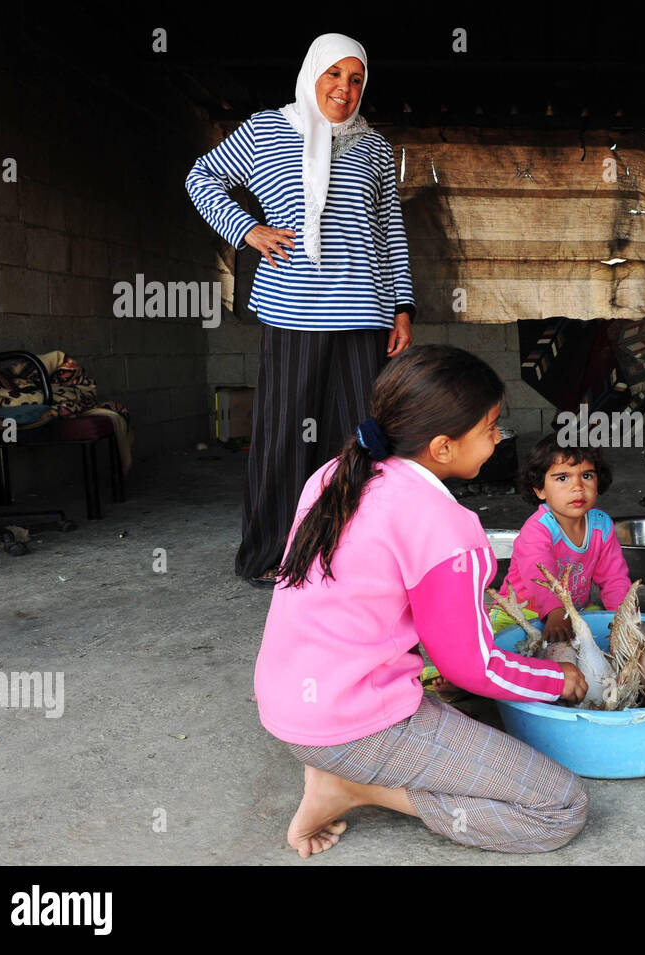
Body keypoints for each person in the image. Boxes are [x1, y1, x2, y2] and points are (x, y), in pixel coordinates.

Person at [254, 345, 589, 856]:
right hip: (354, 724)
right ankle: (355, 787)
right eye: (490, 426)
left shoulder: (332, 476)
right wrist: (556, 679)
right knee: (559, 808)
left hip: (288, 703)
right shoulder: (447, 526)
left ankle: (337, 770)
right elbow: (468, 667)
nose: (499, 438)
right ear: (443, 447)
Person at [186, 33, 416, 587]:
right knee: (284, 435)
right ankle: (270, 555)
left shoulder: (373, 147)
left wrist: (402, 307)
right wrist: (247, 230)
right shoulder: (267, 129)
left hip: (364, 313)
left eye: (356, 78)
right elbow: (202, 178)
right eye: (333, 74)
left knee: (361, 437)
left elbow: (388, 233)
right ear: (313, 74)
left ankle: (347, 555)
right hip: (293, 312)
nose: (344, 88)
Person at [493, 434, 632, 640]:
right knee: (496, 648)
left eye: (586, 476)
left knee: (601, 636)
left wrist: (624, 617)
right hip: (520, 612)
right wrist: (556, 612)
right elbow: (539, 573)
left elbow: (614, 578)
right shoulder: (537, 529)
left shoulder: (601, 525)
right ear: (540, 489)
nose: (577, 486)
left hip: (573, 611)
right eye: (563, 478)